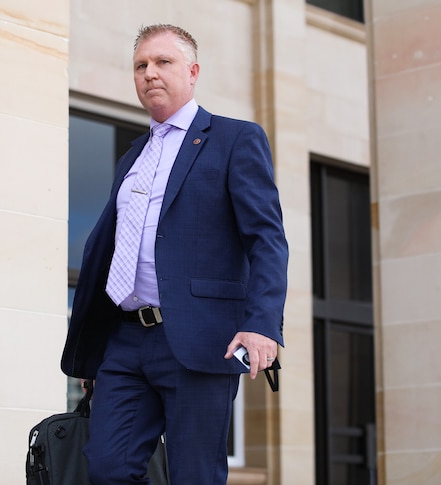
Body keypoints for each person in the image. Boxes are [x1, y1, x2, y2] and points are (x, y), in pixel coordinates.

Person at [61, 23, 288, 484]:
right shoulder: (133, 156)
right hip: (124, 343)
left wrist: (262, 324)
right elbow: (116, 246)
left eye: (163, 62)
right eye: (141, 65)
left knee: (195, 475)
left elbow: (267, 237)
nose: (150, 73)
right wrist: (96, 349)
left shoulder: (234, 139)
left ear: (193, 71)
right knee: (107, 467)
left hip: (200, 339)